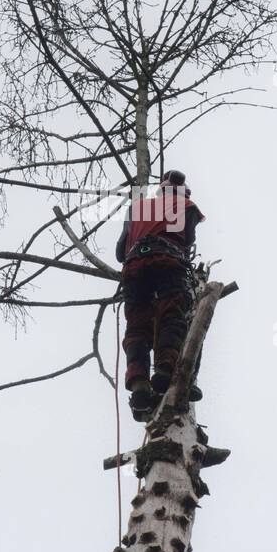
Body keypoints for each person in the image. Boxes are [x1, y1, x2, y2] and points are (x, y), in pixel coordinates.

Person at [115, 170, 206, 420]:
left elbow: (120, 251)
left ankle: (139, 384)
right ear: (183, 191)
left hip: (134, 265)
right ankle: (166, 371)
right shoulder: (187, 205)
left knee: (137, 326)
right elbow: (187, 239)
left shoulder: (137, 207)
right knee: (172, 315)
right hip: (169, 261)